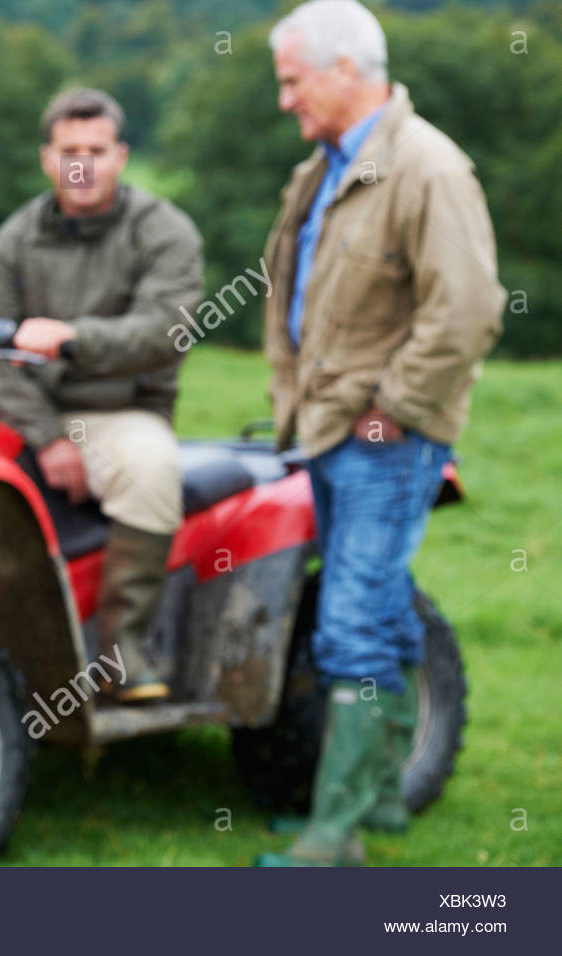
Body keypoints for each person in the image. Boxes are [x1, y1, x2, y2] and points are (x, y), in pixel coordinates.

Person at [255, 0, 504, 866]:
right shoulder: (318, 170)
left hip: (385, 443)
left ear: (343, 71)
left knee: (352, 624)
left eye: (293, 80)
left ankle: (337, 839)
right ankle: (380, 799)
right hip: (326, 434)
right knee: (381, 613)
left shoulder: (429, 168)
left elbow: (468, 310)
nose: (285, 100)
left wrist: (391, 407)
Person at [0, 87, 204, 702]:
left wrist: (73, 339)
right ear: (48, 158)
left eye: (96, 150)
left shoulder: (164, 231)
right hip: (27, 413)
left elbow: (166, 330)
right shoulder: (17, 236)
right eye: (69, 150)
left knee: (152, 470)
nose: (83, 164)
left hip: (121, 411)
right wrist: (46, 438)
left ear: (121, 155)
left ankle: (121, 653)